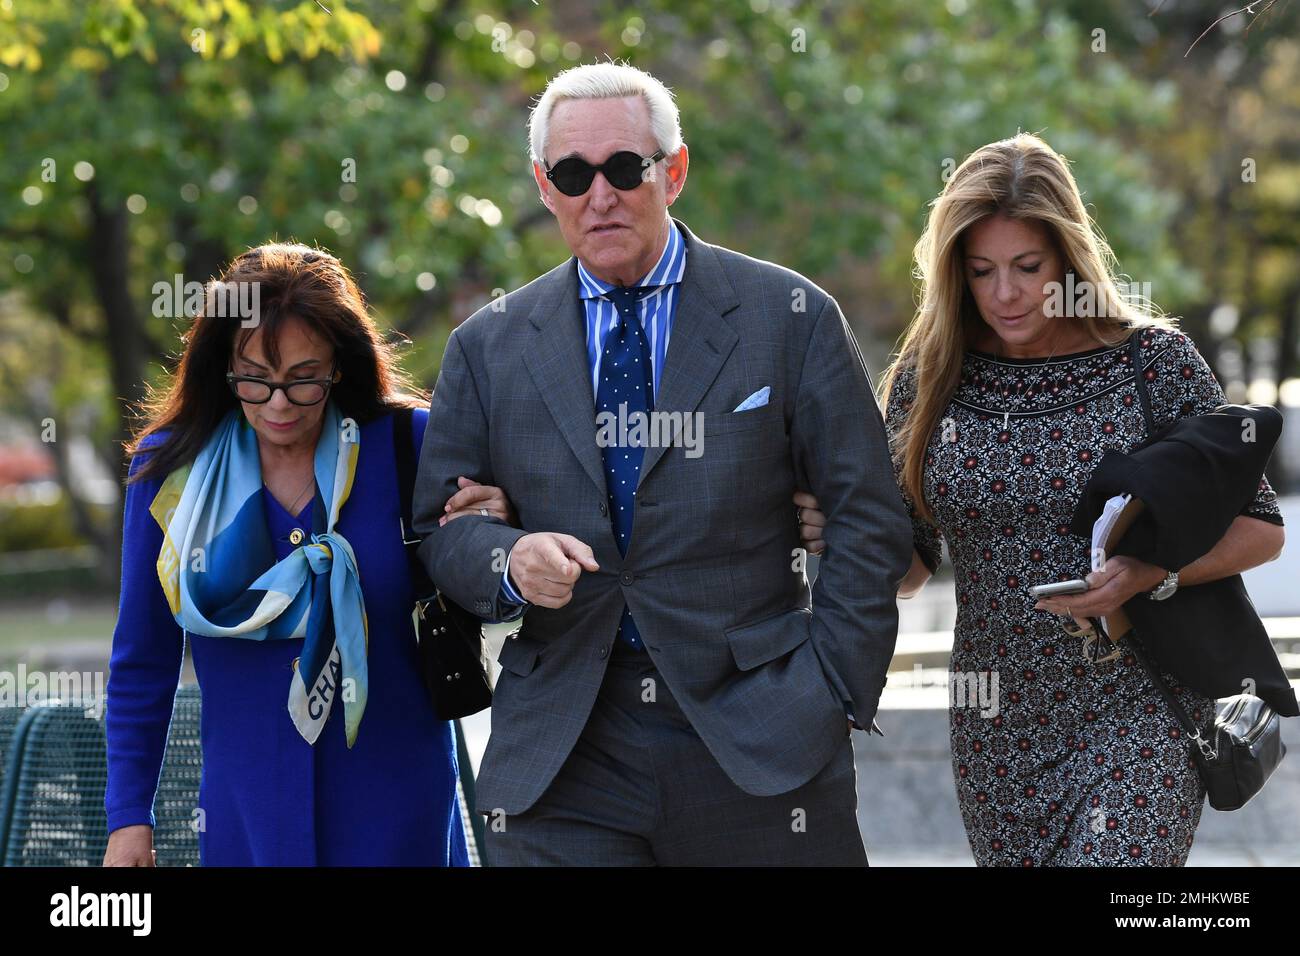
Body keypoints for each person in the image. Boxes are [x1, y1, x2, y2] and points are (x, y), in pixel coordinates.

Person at [412, 62, 913, 866]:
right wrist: (509, 560)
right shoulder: (488, 346)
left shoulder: (790, 317)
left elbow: (868, 519)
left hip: (760, 734)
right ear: (545, 187)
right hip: (563, 752)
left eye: (623, 168)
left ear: (672, 171)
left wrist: (831, 690)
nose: (599, 195)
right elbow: (439, 535)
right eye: (573, 174)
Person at [794, 133, 1285, 866]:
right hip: (997, 717)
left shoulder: (1151, 363)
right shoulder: (927, 382)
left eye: (1027, 267)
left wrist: (1146, 573)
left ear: (1067, 257)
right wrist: (836, 533)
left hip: (1139, 702)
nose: (1005, 293)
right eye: (982, 270)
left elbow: (1262, 528)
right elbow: (911, 567)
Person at [103, 243, 514, 866]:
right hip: (247, 820)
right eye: (254, 379)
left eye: (304, 379)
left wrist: (494, 534)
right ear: (222, 367)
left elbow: (484, 587)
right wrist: (129, 818)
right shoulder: (170, 473)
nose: (277, 405)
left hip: (397, 812)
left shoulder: (410, 445)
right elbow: (143, 658)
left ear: (340, 366)